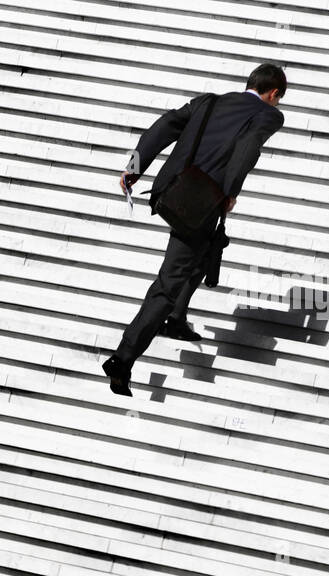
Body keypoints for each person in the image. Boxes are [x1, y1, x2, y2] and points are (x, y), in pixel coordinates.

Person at [103, 64, 287, 396]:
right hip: (198, 205)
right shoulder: (269, 115)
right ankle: (122, 359)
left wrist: (132, 170)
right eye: (276, 100)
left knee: (206, 250)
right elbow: (247, 150)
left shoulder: (209, 101)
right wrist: (230, 192)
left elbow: (163, 126)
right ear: (273, 94)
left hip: (168, 191)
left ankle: (176, 317)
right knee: (168, 283)